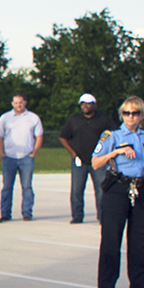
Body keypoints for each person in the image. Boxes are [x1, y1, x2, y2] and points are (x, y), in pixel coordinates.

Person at [92, 97, 144, 288]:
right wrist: (116, 152)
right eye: (127, 113)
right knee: (112, 238)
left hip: (141, 190)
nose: (131, 117)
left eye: (136, 113)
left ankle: (138, 281)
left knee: (140, 239)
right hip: (118, 190)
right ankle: (106, 283)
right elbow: (95, 162)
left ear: (142, 115)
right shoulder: (111, 136)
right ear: (121, 115)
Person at [60, 94, 116, 223]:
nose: (86, 106)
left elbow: (114, 134)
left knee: (101, 190)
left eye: (89, 103)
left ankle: (103, 216)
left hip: (98, 160)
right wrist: (73, 154)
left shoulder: (103, 119)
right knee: (76, 190)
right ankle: (77, 216)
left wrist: (108, 153)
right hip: (79, 160)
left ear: (94, 104)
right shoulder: (74, 120)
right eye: (83, 103)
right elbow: (63, 137)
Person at [0, 94, 42, 220]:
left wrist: (34, 153)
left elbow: (39, 136)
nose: (18, 105)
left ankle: (27, 213)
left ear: (25, 102)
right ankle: (5, 213)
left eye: (21, 102)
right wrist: (2, 153)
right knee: (7, 187)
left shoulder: (33, 118)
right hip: (9, 156)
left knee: (27, 186)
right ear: (12, 104)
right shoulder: (5, 118)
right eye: (16, 103)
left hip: (26, 157)